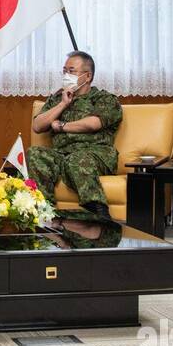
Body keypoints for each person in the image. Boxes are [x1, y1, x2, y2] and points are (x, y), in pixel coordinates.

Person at [26, 51, 122, 221]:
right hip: (62, 155)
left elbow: (94, 123)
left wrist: (62, 126)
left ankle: (99, 213)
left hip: (96, 154)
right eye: (64, 71)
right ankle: (44, 211)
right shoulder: (58, 98)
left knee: (77, 159)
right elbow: (37, 126)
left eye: (71, 71)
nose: (66, 75)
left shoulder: (104, 98)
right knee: (35, 153)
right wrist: (63, 104)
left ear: (87, 76)